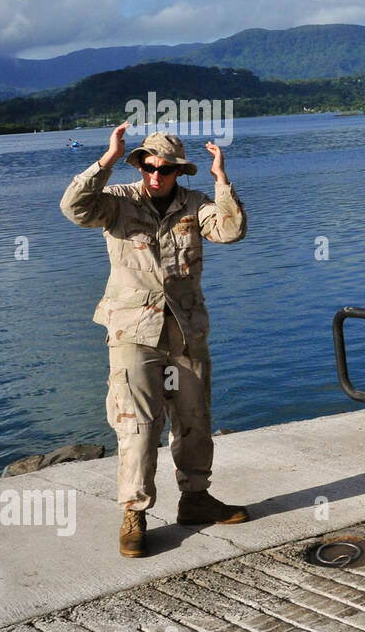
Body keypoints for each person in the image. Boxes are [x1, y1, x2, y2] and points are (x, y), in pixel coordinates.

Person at [60, 125, 249, 557]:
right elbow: (74, 208)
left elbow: (231, 231)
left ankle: (196, 499)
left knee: (195, 420)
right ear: (140, 166)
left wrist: (221, 180)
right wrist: (107, 160)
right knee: (138, 426)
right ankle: (135, 513)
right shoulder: (119, 202)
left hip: (186, 331)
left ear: (178, 172)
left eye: (164, 169)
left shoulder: (196, 204)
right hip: (132, 332)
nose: (156, 175)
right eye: (149, 167)